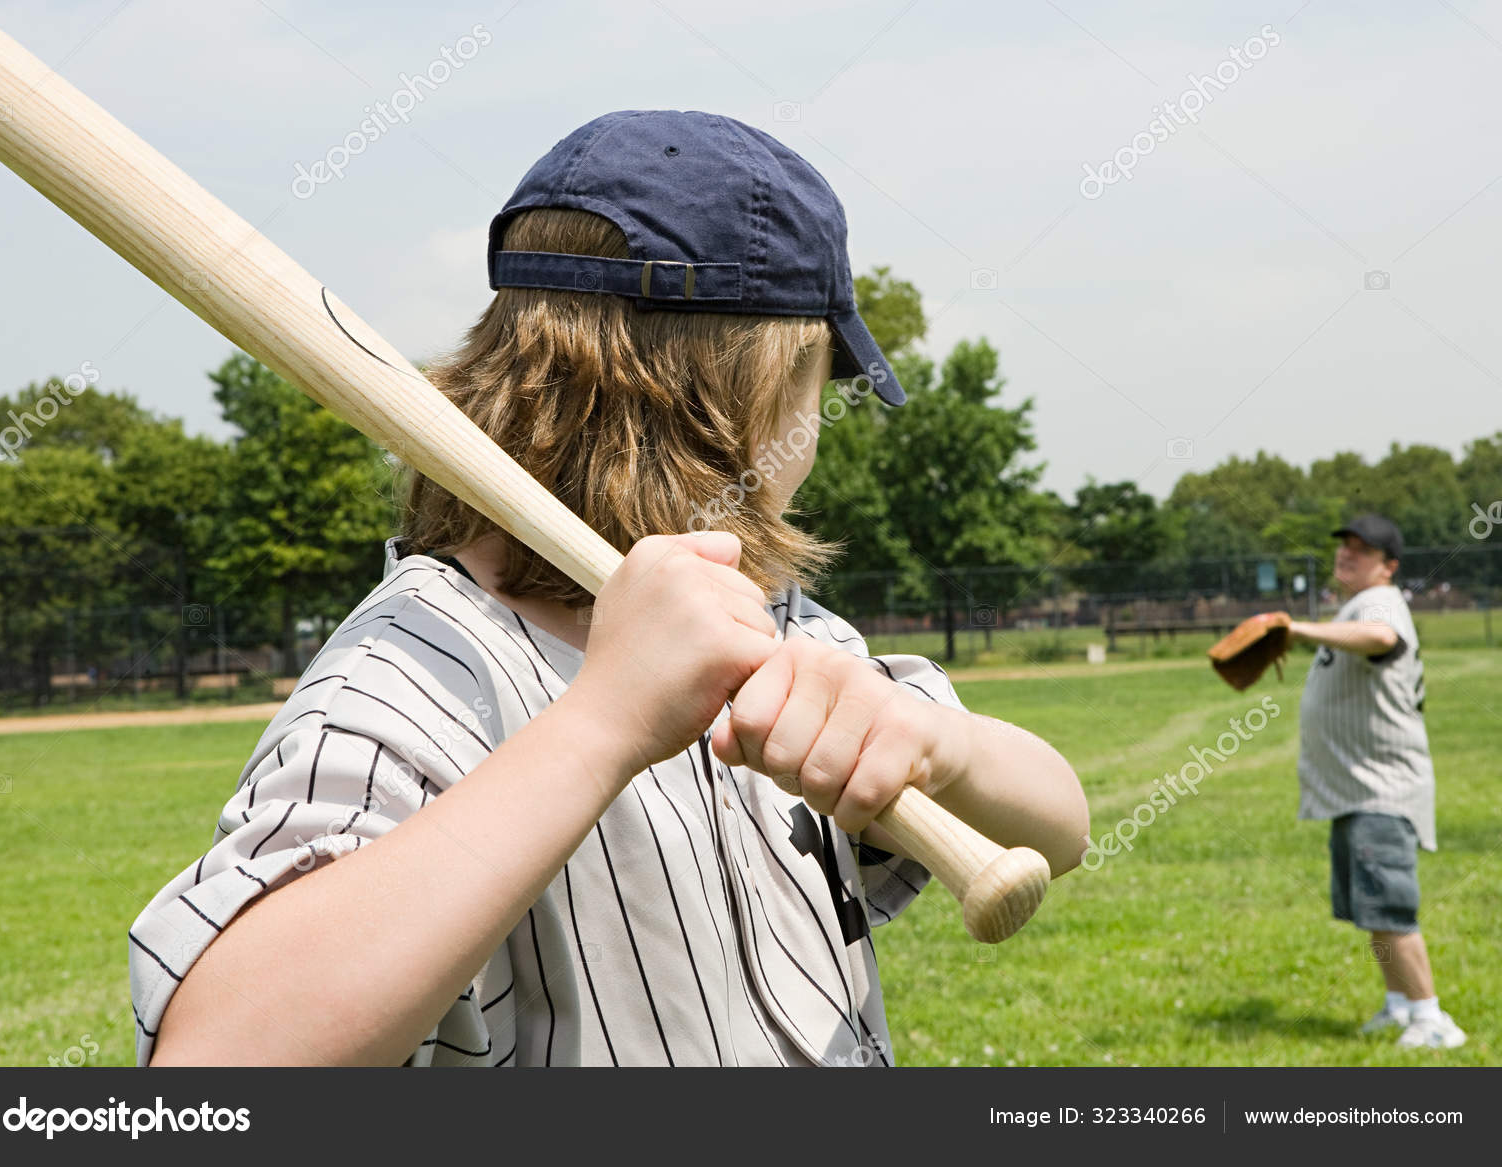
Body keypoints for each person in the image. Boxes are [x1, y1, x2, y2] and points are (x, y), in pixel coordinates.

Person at [129, 110, 1088, 1067]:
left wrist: (942, 748)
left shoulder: (767, 613)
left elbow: (1061, 822)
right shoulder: (416, 669)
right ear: (754, 392)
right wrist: (603, 721)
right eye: (818, 381)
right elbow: (215, 1066)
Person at [1285, 515, 1464, 1050]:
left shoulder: (1380, 604)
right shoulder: (1356, 605)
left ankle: (1433, 1020)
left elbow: (1382, 638)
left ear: (1388, 566)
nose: (1347, 555)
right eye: (1344, 546)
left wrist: (1296, 629)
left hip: (1381, 789)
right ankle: (1400, 1004)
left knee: (1389, 908)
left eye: (1363, 551)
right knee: (1373, 910)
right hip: (1359, 790)